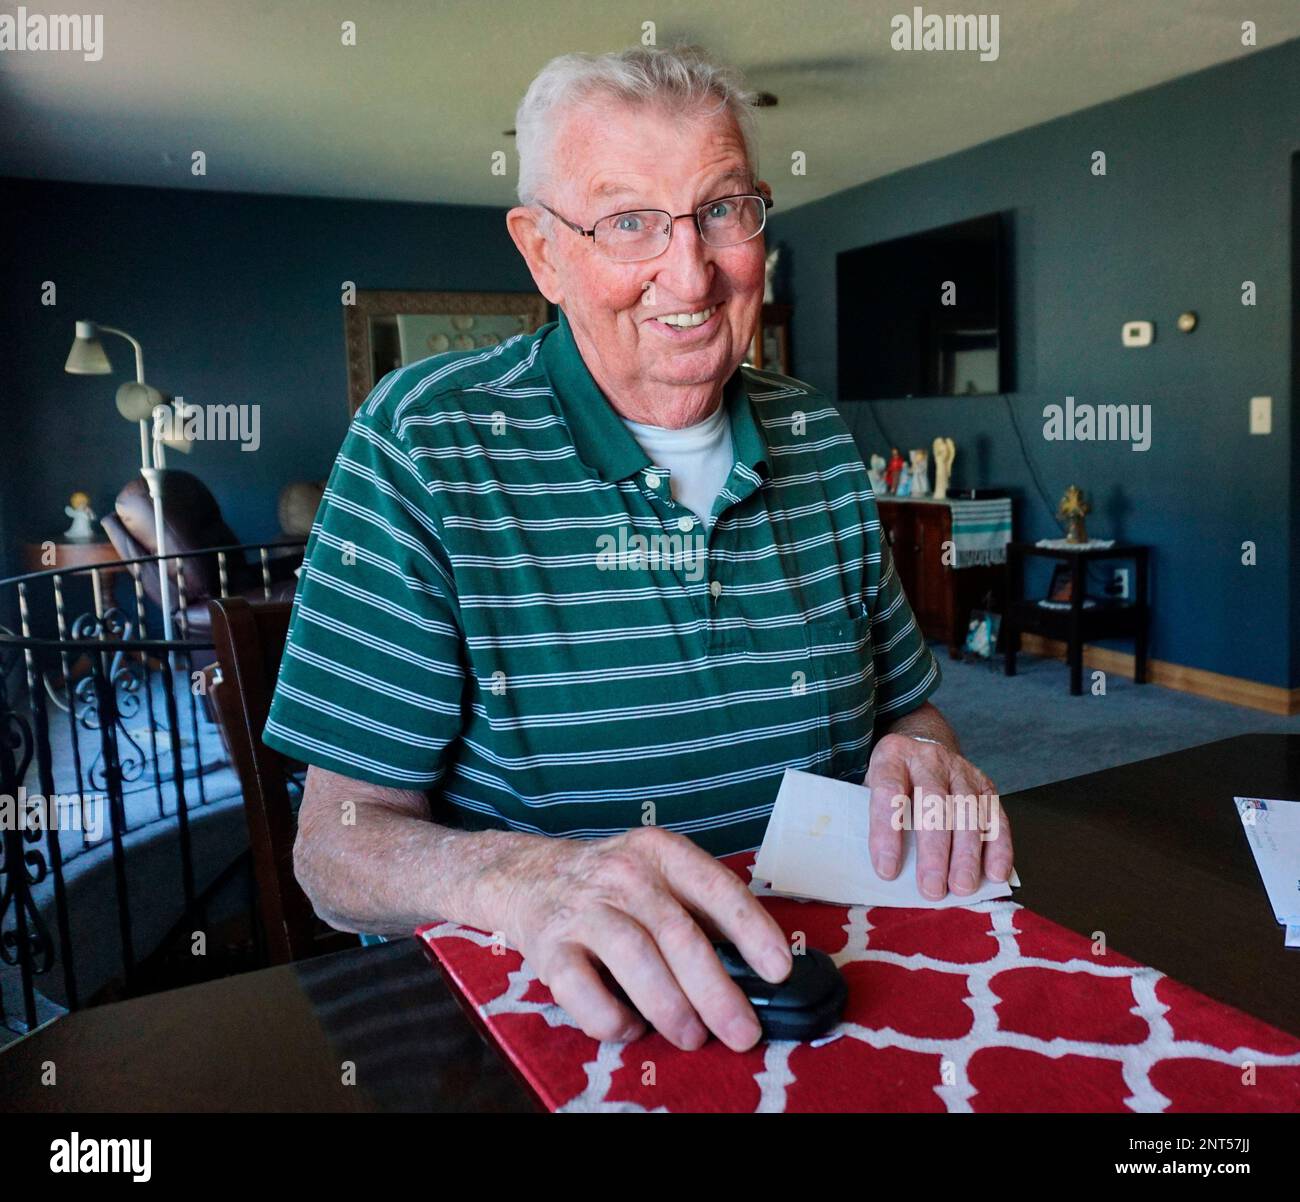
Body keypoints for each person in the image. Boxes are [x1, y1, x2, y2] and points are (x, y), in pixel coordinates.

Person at [263, 44, 1013, 1054]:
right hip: (567, 1022)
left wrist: (923, 754)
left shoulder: (818, 435)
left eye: (721, 209)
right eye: (627, 222)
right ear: (542, 252)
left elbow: (907, 704)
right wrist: (526, 878)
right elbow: (333, 851)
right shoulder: (425, 442)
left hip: (831, 983)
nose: (690, 271)